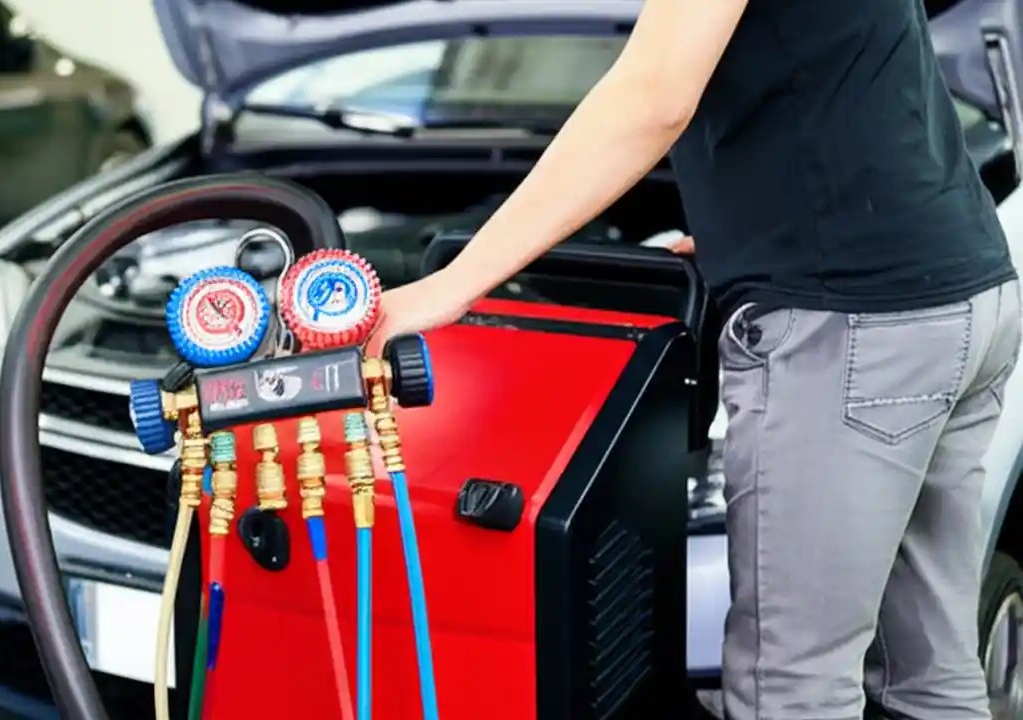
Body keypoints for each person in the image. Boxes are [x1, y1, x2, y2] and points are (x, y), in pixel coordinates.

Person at [367, 0, 1022, 718]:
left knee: (792, 687)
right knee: (927, 672)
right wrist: (752, 227)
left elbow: (653, 97)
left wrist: (456, 284)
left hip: (854, 320)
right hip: (956, 290)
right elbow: (832, 63)